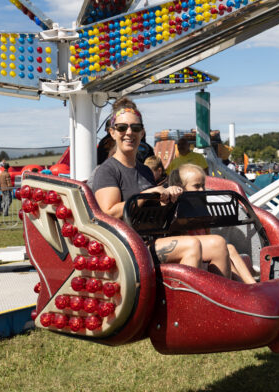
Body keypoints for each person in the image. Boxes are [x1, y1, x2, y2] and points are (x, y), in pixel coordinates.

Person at [90, 101, 236, 281]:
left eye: (135, 128)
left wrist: (167, 198)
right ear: (112, 132)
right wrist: (148, 194)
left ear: (142, 133)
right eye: (122, 128)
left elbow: (153, 207)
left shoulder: (144, 170)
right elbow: (108, 213)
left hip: (152, 238)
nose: (129, 132)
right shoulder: (107, 170)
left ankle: (218, 304)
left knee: (218, 244)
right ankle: (187, 307)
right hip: (127, 246)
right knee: (191, 245)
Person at [169, 164, 256, 284]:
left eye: (203, 186)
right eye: (196, 186)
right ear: (180, 188)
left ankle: (250, 284)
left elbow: (207, 232)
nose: (201, 190)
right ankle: (241, 287)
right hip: (191, 249)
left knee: (229, 248)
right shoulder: (177, 207)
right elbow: (177, 229)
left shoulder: (200, 206)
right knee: (223, 247)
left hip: (204, 246)